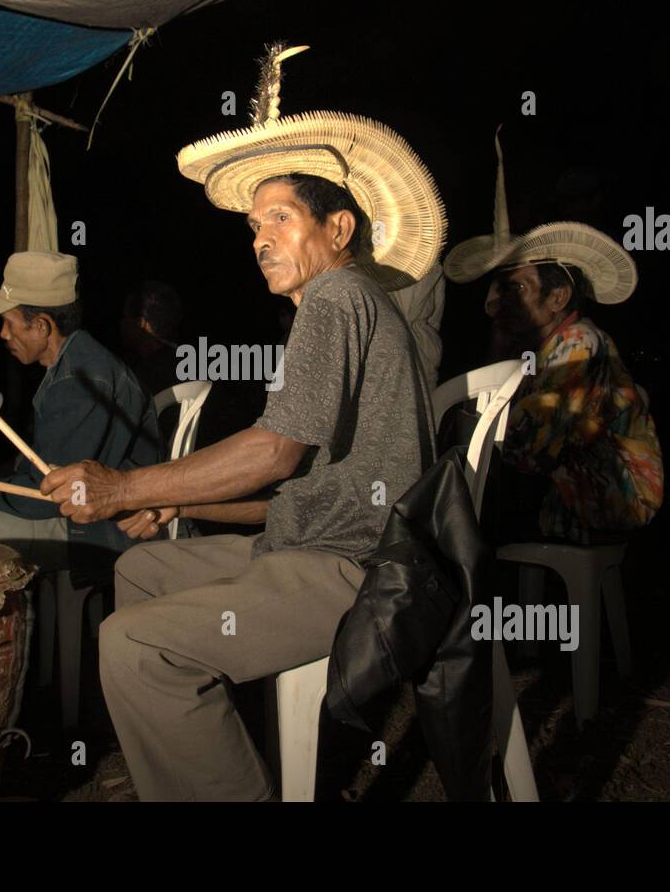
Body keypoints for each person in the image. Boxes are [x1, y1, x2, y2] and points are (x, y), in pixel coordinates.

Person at [39, 44, 442, 801]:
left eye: (281, 219)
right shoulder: (333, 311)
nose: (259, 238)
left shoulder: (337, 298)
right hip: (308, 541)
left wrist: (124, 486)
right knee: (141, 567)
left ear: (340, 228)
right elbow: (286, 488)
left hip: (358, 568)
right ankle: (191, 752)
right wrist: (176, 500)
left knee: (130, 643)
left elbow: (274, 453)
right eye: (254, 224)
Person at [444, 134, 663, 545]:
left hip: (617, 492)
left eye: (519, 289)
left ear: (558, 297)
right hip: (573, 485)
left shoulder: (578, 342)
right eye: (501, 288)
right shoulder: (539, 345)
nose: (501, 301)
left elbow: (528, 451)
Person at [0, 251, 161, 567]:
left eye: (8, 323)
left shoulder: (81, 379)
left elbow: (48, 496)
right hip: (83, 512)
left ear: (41, 326)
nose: (3, 334)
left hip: (113, 524)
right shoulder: (71, 362)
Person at [118, 280, 184, 399]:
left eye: (125, 316)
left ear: (140, 323)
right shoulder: (190, 364)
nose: (122, 323)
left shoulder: (139, 377)